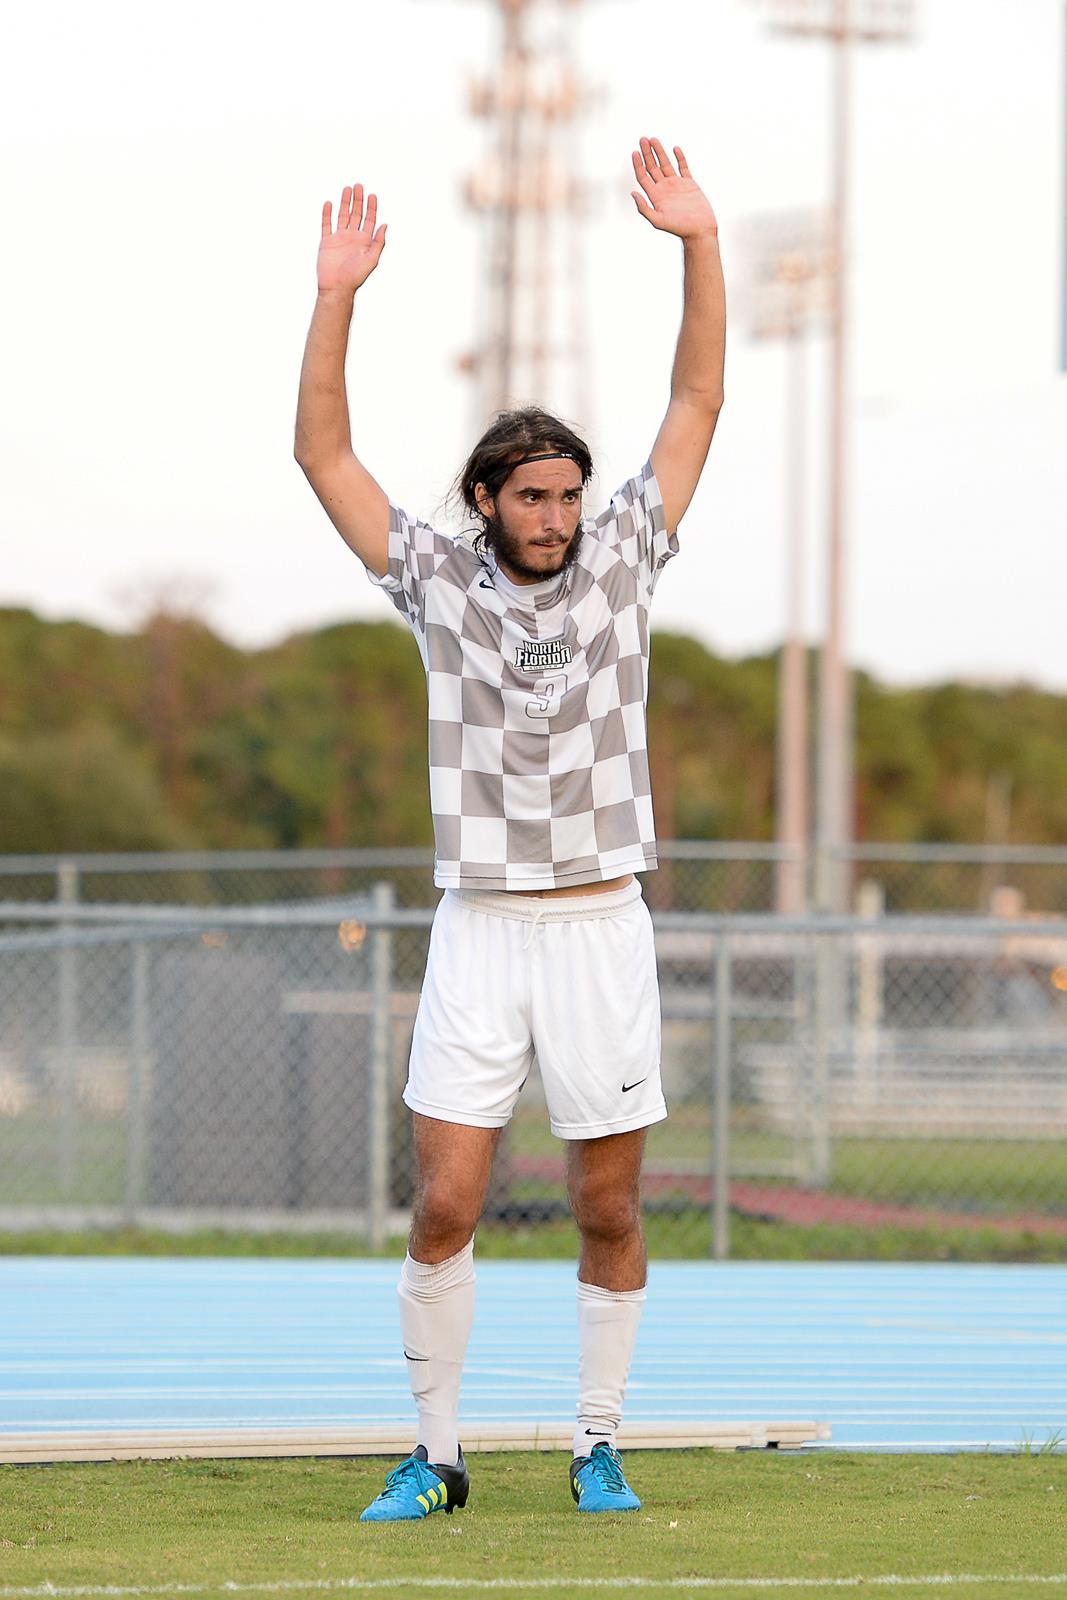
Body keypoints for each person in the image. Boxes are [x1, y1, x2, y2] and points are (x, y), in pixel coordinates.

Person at [294, 135, 725, 1520]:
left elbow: (699, 395)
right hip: (480, 929)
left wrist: (700, 246)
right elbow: (323, 450)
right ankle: (437, 1456)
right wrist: (337, 295)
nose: (555, 515)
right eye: (530, 495)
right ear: (485, 502)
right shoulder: (435, 582)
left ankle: (597, 1441)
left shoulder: (625, 561)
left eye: (567, 495)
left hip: (603, 925)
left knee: (607, 1210)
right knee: (444, 1204)